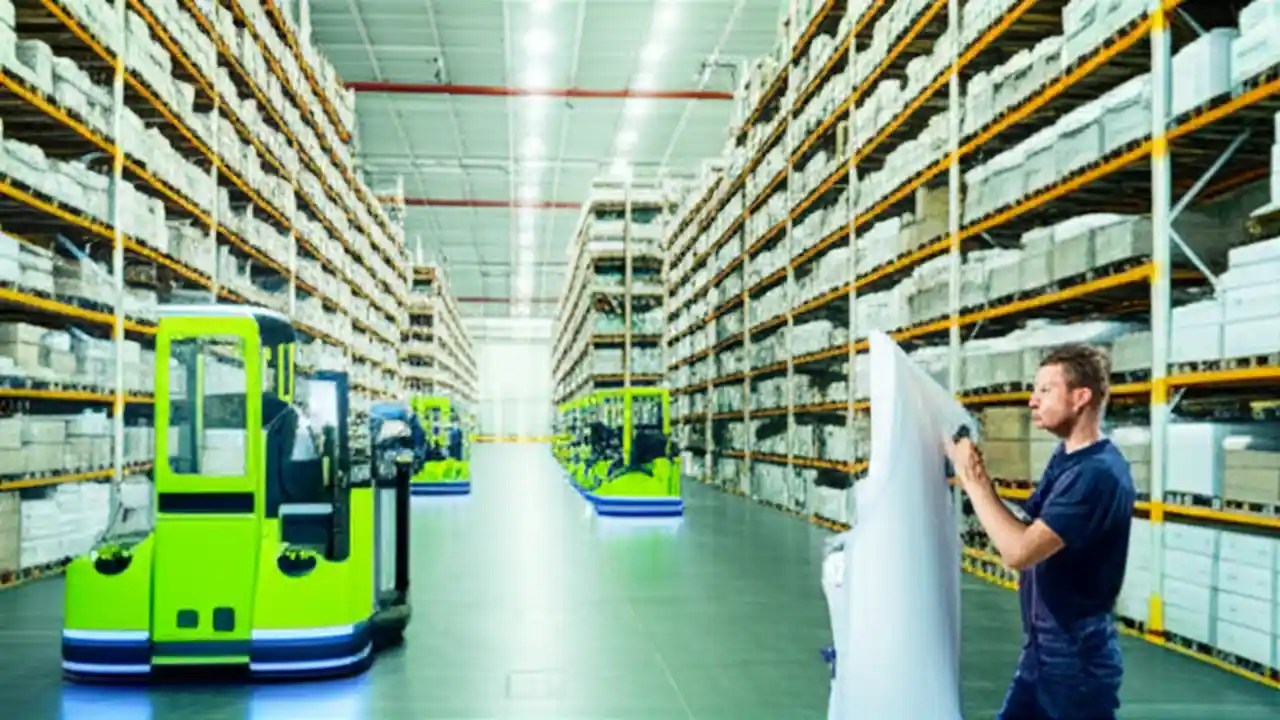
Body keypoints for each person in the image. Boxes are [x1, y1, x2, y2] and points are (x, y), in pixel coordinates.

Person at [948, 344, 1135, 720]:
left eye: (1045, 390)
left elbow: (1019, 551)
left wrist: (975, 481)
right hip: (1042, 652)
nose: (1032, 401)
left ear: (1081, 397)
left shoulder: (1096, 475)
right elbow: (1027, 522)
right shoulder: (1067, 458)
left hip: (1075, 663)